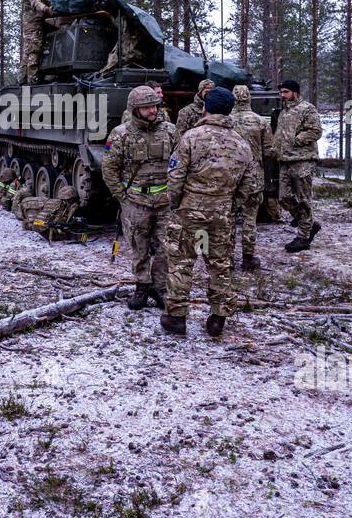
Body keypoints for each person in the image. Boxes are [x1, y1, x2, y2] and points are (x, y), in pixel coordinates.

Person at [161, 86, 255, 338]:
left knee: (181, 263)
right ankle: (217, 318)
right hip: (222, 213)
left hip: (189, 211)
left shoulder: (192, 137)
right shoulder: (241, 143)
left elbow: (175, 176)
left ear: (205, 107)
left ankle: (176, 317)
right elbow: (249, 183)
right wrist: (230, 205)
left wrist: (177, 203)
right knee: (220, 265)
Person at [101, 85, 177, 310]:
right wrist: (121, 196)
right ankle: (142, 286)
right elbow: (109, 168)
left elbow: (180, 164)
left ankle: (159, 286)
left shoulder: (171, 131)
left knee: (167, 247)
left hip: (165, 202)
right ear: (134, 109)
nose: (152, 111)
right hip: (135, 202)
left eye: (154, 106)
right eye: (146, 108)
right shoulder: (121, 134)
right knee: (139, 247)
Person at [273, 79, 323, 252]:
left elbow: (316, 131)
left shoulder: (307, 108)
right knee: (283, 197)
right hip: (285, 160)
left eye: (286, 92)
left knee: (303, 200)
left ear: (295, 92)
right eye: (281, 92)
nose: (282, 95)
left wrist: (296, 140)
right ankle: (308, 223)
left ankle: (303, 237)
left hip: (302, 160)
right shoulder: (284, 112)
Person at [230, 85, 272, 271]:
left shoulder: (225, 120)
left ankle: (227, 259)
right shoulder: (260, 121)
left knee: (228, 219)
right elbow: (269, 151)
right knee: (249, 219)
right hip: (254, 176)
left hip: (230, 177)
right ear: (249, 98)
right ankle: (248, 258)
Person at [21, 0, 58, 84]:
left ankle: (22, 80)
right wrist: (47, 9)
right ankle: (33, 80)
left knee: (29, 52)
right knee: (33, 51)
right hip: (33, 26)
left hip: (36, 24)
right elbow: (36, 2)